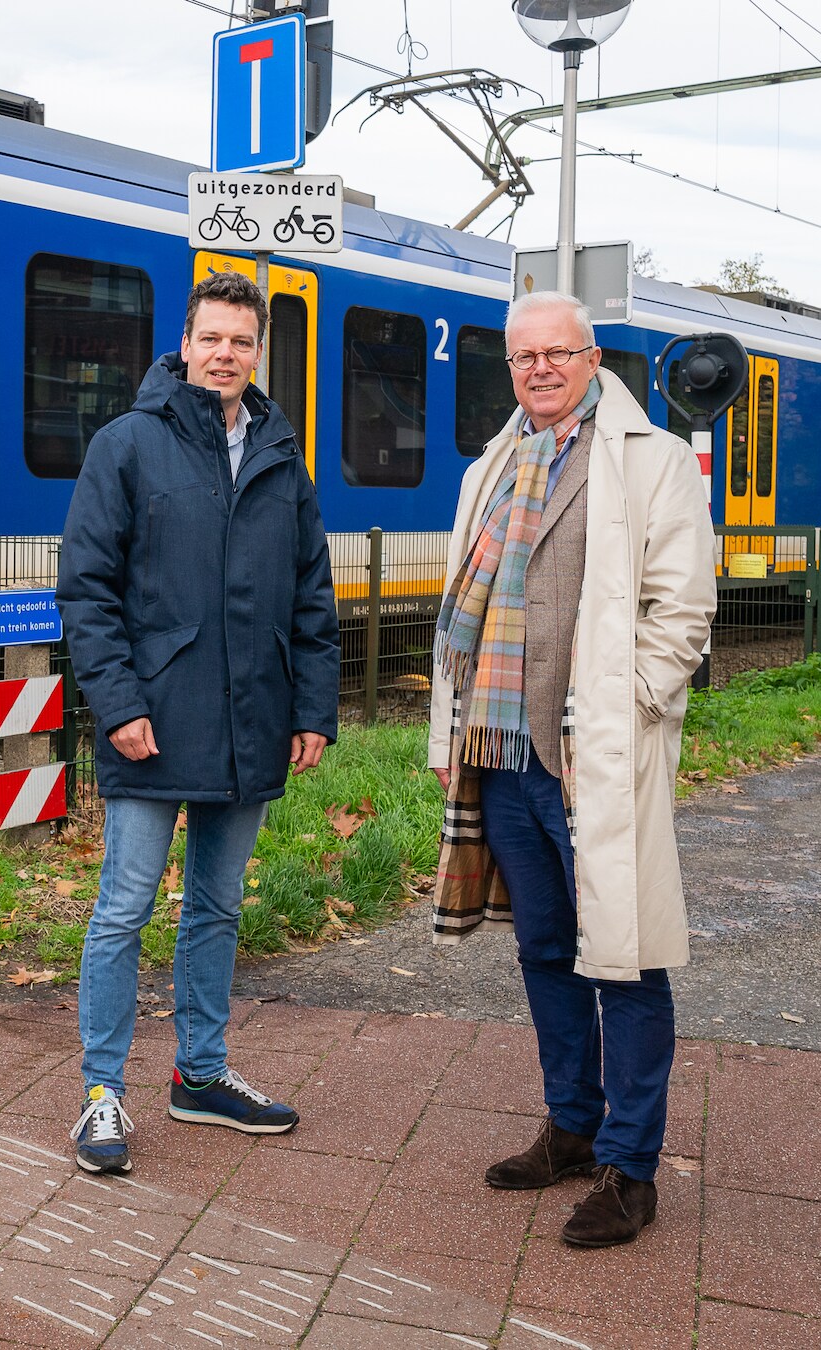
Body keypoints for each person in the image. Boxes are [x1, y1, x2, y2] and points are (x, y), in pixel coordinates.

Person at [428, 290, 716, 1248]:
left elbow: (682, 616)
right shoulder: (492, 468)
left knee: (625, 960)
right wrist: (450, 735)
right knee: (546, 953)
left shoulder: (654, 463)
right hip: (502, 756)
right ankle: (573, 1127)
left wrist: (626, 713)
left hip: (593, 757)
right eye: (523, 358)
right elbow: (458, 624)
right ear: (507, 369)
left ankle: (633, 1169)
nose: (541, 369)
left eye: (560, 353)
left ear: (594, 359)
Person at [57, 271, 339, 1174]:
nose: (226, 355)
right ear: (185, 346)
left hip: (253, 721)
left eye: (242, 342)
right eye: (212, 339)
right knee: (123, 910)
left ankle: (200, 1075)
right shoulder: (128, 445)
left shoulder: (281, 456)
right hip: (156, 723)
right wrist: (119, 703)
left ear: (260, 352)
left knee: (216, 909)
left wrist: (312, 709)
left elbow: (311, 596)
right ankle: (103, 1094)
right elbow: (88, 591)